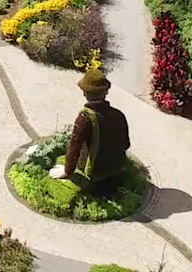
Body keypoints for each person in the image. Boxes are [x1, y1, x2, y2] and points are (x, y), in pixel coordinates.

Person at [48, 62, 131, 195]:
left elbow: (74, 147)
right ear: (106, 92)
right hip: (116, 169)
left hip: (94, 173)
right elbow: (126, 144)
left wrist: (67, 171)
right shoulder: (119, 115)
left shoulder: (85, 117)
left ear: (85, 93)